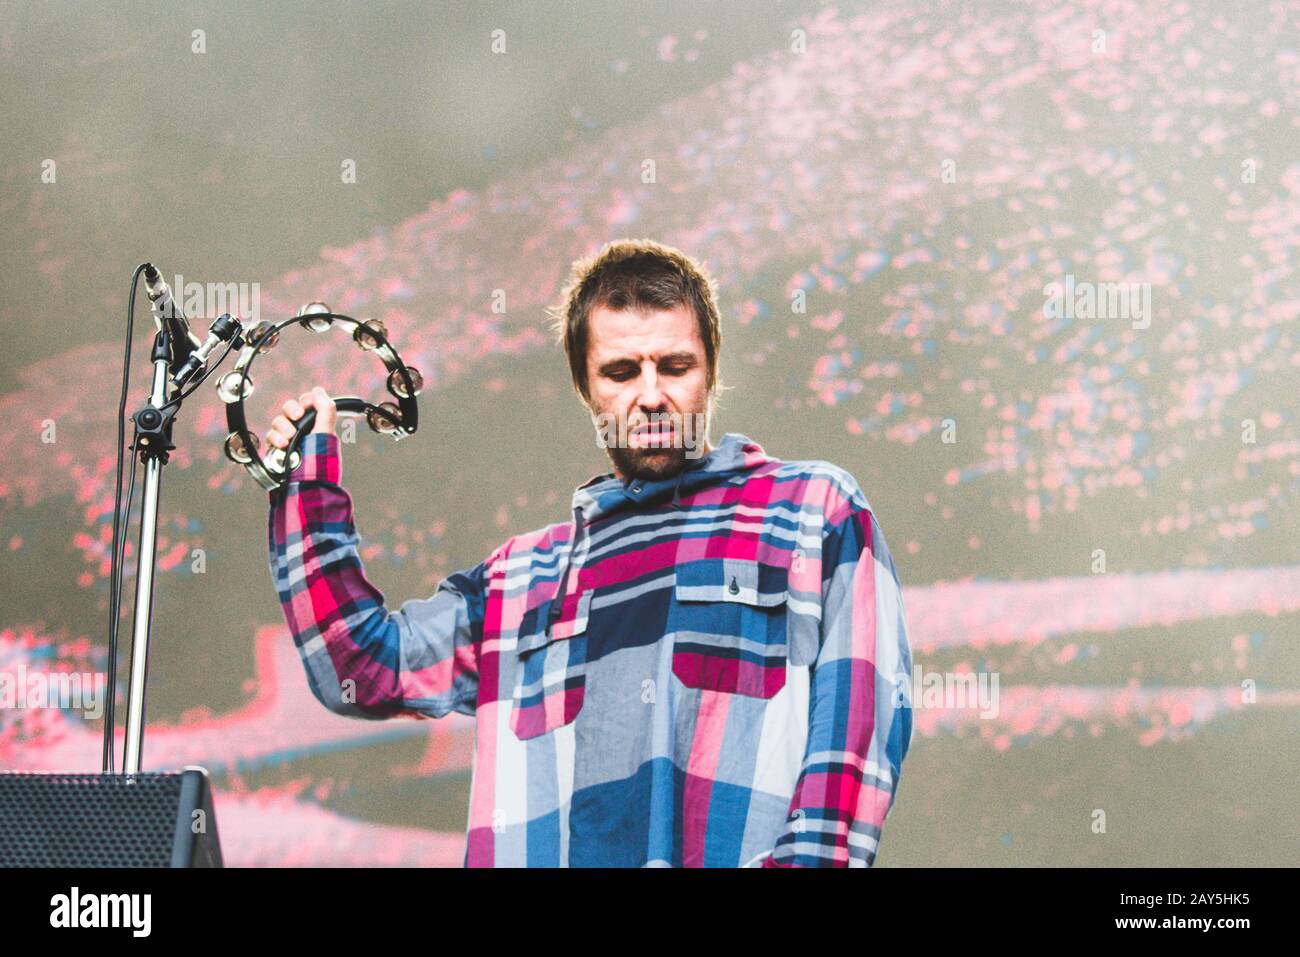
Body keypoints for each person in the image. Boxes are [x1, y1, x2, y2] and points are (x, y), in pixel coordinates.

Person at [265, 238, 914, 867]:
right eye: (622, 371)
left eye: (675, 365)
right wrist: (307, 484)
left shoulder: (810, 512)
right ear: (586, 386)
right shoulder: (520, 581)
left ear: (712, 368)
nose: (652, 394)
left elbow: (854, 745)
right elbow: (360, 665)